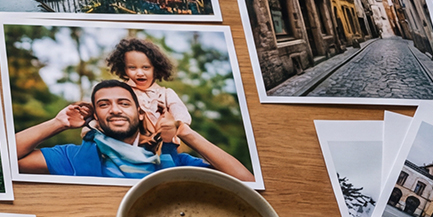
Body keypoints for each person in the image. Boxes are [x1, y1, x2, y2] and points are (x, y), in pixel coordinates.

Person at [13, 79, 253, 181]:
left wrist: (184, 131)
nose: (115, 110)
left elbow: (246, 181)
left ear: (140, 113)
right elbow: (5, 158)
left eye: (124, 103)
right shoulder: (71, 157)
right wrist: (58, 123)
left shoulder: (172, 161)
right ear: (95, 116)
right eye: (104, 105)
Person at [106, 37, 190, 146]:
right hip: (129, 145)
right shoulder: (122, 91)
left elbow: (179, 110)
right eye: (132, 68)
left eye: (145, 67)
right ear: (124, 70)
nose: (139, 73)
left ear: (156, 69)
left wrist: (178, 122)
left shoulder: (165, 94)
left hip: (164, 144)